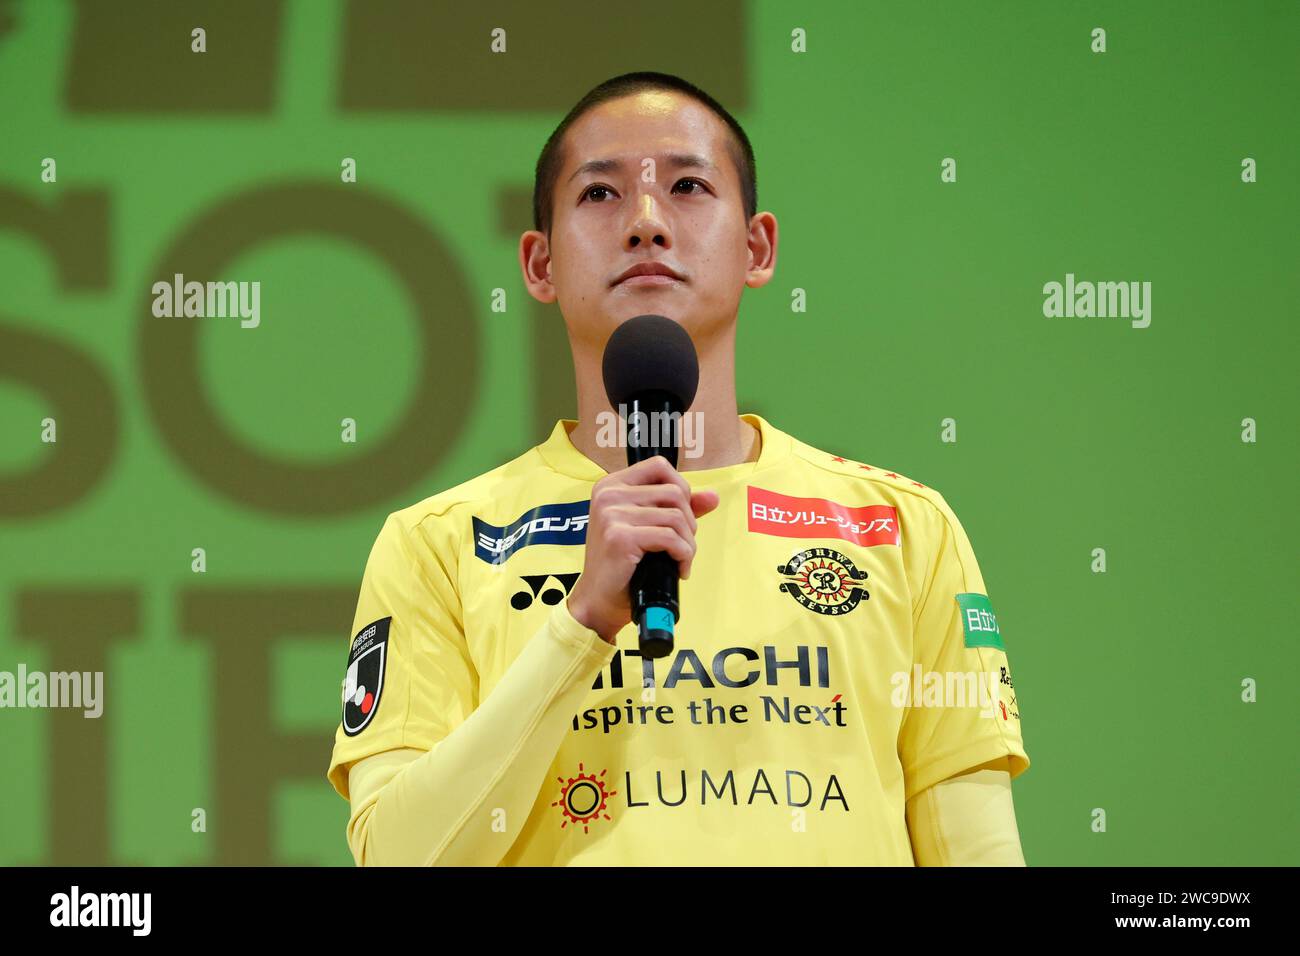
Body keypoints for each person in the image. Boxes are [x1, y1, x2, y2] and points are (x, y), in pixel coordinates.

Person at [326, 71, 1030, 866]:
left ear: (757, 247)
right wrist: (578, 625)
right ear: (539, 263)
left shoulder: (901, 527)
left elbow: (977, 851)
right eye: (600, 195)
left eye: (689, 186)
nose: (647, 223)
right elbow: (396, 857)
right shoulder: (439, 544)